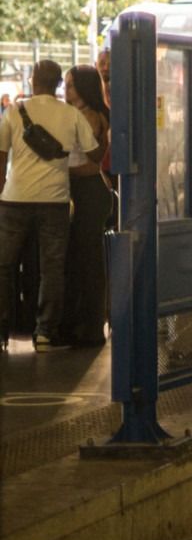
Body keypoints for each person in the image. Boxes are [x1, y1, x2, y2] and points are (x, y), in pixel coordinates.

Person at [0, 60, 98, 352]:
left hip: (14, 199)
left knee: (4, 266)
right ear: (57, 84)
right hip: (54, 201)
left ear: (32, 80)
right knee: (51, 269)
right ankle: (45, 333)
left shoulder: (14, 112)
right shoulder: (71, 114)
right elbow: (94, 154)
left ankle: (2, 330)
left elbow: (0, 156)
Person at [59, 65, 114, 347]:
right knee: (84, 259)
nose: (66, 90)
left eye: (70, 85)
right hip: (88, 191)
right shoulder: (82, 115)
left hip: (88, 192)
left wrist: (59, 170)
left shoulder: (90, 117)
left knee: (87, 261)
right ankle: (86, 324)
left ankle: (90, 327)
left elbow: (90, 164)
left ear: (83, 87)